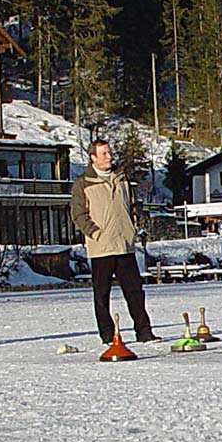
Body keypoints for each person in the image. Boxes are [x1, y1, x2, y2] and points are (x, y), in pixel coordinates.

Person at [71, 139, 156, 360]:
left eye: (109, 152)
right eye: (104, 154)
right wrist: (95, 233)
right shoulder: (83, 183)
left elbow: (131, 206)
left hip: (125, 245)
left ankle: (144, 332)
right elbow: (78, 214)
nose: (109, 157)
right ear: (93, 158)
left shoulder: (122, 178)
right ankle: (107, 335)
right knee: (102, 294)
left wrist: (132, 228)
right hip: (101, 247)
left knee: (135, 291)